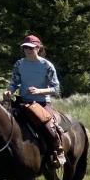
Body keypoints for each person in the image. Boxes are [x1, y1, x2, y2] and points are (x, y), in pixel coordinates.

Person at [4, 35, 66, 168]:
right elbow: (14, 82)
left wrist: (39, 91)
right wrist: (9, 90)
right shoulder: (19, 64)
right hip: (22, 102)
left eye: (31, 48)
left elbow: (56, 89)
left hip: (42, 103)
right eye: (25, 47)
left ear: (38, 48)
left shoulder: (47, 65)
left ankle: (58, 152)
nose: (27, 50)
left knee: (49, 127)